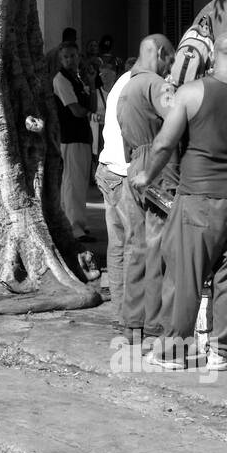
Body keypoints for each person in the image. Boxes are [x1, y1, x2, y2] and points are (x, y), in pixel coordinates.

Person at [131, 33, 227, 371]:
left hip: (197, 199)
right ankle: (224, 352)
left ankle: (172, 352)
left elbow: (164, 144)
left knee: (183, 275)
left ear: (212, 54)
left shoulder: (191, 92)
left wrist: (146, 176)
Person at [116, 35, 176, 345]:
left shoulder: (126, 89)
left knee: (135, 247)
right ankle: (156, 326)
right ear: (162, 54)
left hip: (133, 168)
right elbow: (177, 119)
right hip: (158, 166)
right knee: (159, 247)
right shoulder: (157, 85)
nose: (171, 67)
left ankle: (132, 325)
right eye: (171, 59)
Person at [95, 60, 136, 310]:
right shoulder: (137, 85)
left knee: (119, 244)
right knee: (132, 245)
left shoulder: (124, 82)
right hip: (122, 173)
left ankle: (122, 311)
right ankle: (129, 313)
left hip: (110, 170)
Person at [53, 43, 94, 242]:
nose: (70, 60)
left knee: (80, 182)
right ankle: (73, 226)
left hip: (82, 136)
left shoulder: (77, 78)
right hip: (71, 137)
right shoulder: (61, 79)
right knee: (72, 182)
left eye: (73, 56)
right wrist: (90, 112)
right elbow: (76, 110)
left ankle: (79, 223)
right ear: (61, 60)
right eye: (66, 57)